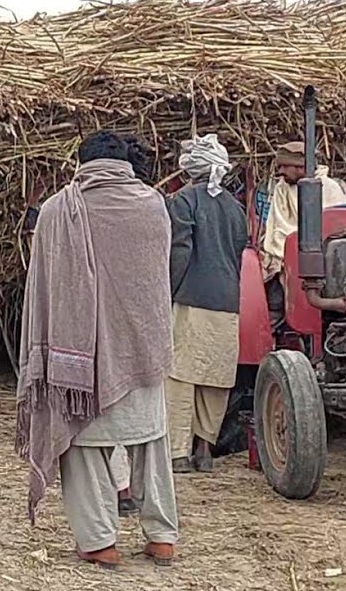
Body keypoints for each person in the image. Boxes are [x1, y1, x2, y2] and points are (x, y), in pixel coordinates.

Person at [16, 130, 179, 569]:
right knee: (151, 445)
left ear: (81, 164)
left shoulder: (56, 211)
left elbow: (45, 286)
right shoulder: (152, 205)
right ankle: (162, 537)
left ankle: (100, 543)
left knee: (84, 450)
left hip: (79, 365)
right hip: (142, 354)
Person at [164, 134, 248, 473]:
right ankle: (205, 450)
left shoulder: (182, 201)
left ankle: (178, 454)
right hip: (228, 301)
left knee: (181, 377)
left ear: (189, 170)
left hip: (190, 297)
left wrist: (169, 289)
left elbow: (180, 250)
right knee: (216, 378)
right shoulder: (235, 207)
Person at [260, 141, 346, 318]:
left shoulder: (329, 188)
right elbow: (279, 227)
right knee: (275, 302)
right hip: (285, 258)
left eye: (286, 166)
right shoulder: (281, 189)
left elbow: (337, 227)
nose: (281, 172)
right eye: (280, 166)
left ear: (302, 167)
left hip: (324, 262)